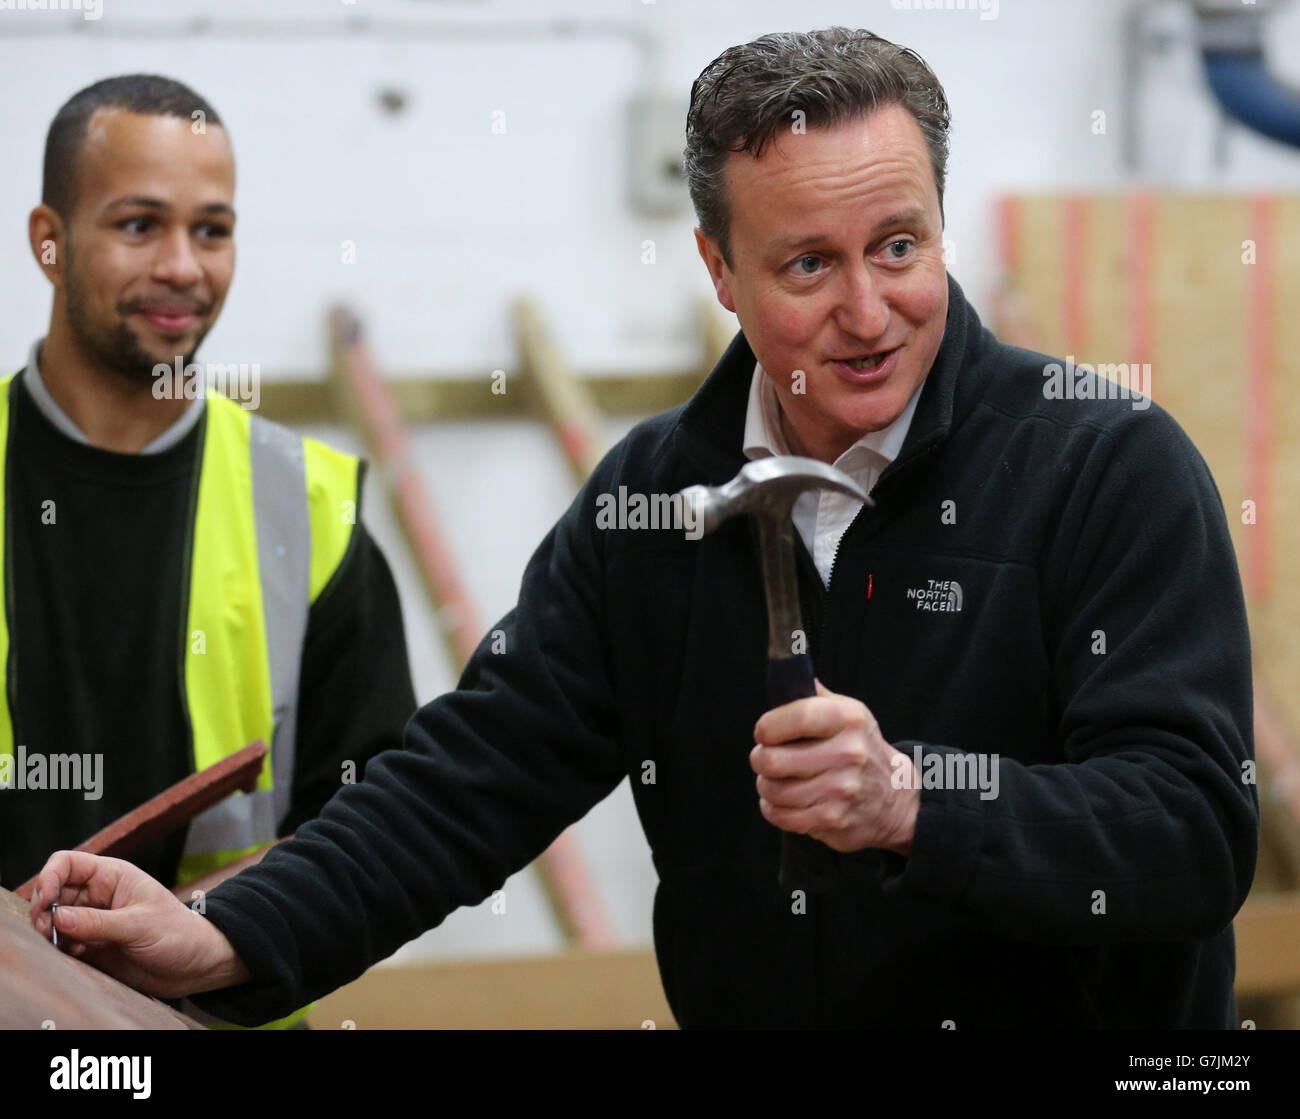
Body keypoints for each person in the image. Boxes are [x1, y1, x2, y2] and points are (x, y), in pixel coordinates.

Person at [30, 30, 1257, 1029]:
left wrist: (913, 800)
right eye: (807, 267)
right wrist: (227, 929)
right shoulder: (655, 503)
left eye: (899, 247)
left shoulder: (1105, 467)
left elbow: (1193, 833)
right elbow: (466, 780)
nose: (869, 311)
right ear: (719, 268)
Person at [7, 75, 417, 1028]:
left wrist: (194, 927)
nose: (184, 267)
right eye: (139, 225)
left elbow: (381, 824)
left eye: (213, 229)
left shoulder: (310, 511)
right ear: (49, 239)